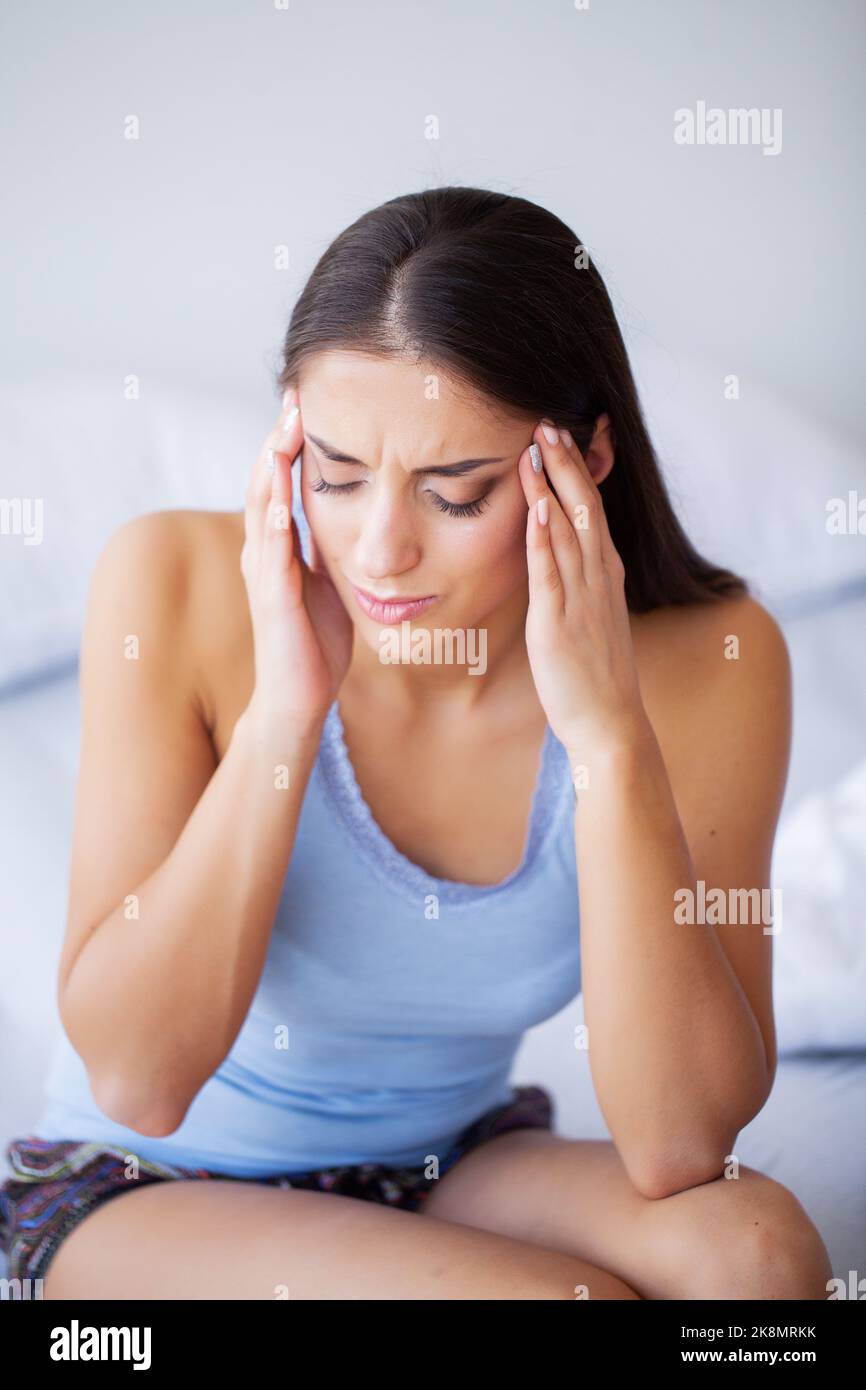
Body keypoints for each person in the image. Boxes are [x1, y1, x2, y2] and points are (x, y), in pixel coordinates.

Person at [0, 187, 831, 1300]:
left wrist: (607, 738)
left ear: (584, 457)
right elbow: (141, 1078)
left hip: (449, 1163)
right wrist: (285, 712)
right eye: (335, 476)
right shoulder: (171, 581)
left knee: (759, 1259)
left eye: (453, 492)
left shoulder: (711, 658)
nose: (378, 550)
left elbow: (676, 1146)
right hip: (146, 1183)